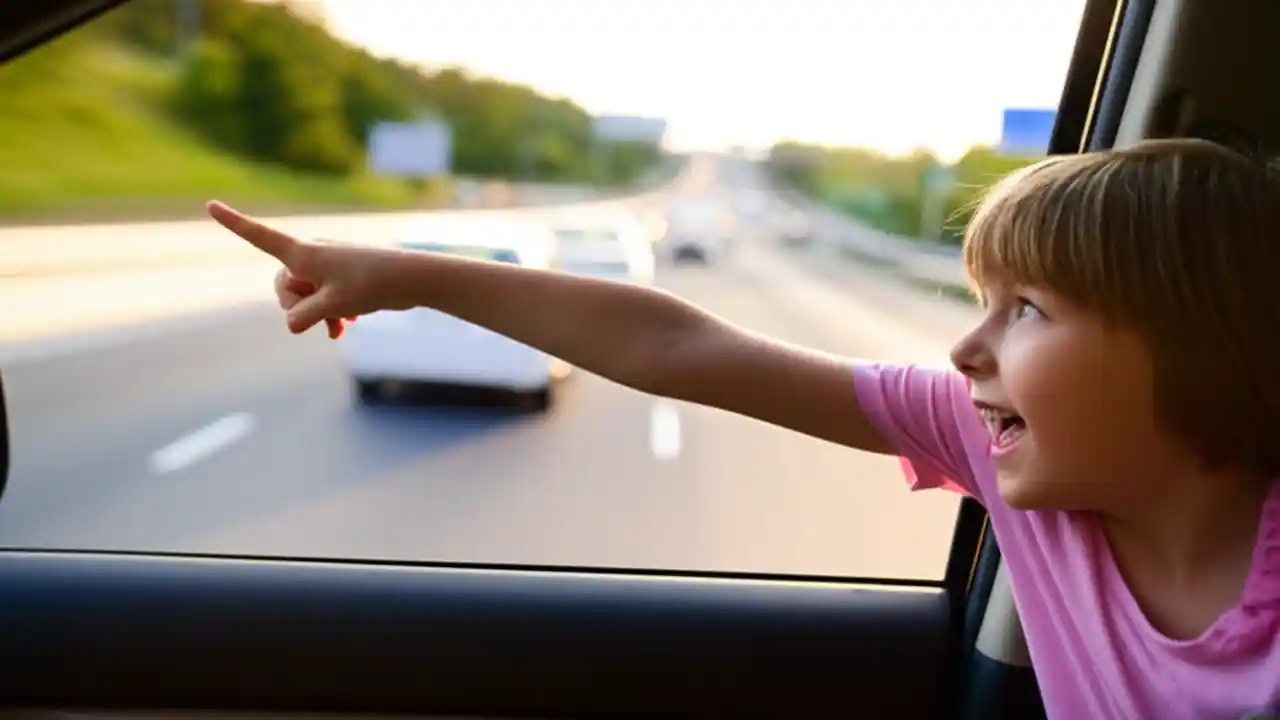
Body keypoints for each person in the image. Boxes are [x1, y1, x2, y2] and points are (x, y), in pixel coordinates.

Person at [206, 138, 1280, 719]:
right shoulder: (995, 447)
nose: (965, 352)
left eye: (1027, 311)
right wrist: (413, 277)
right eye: (979, 305)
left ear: (1194, 345)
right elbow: (678, 347)